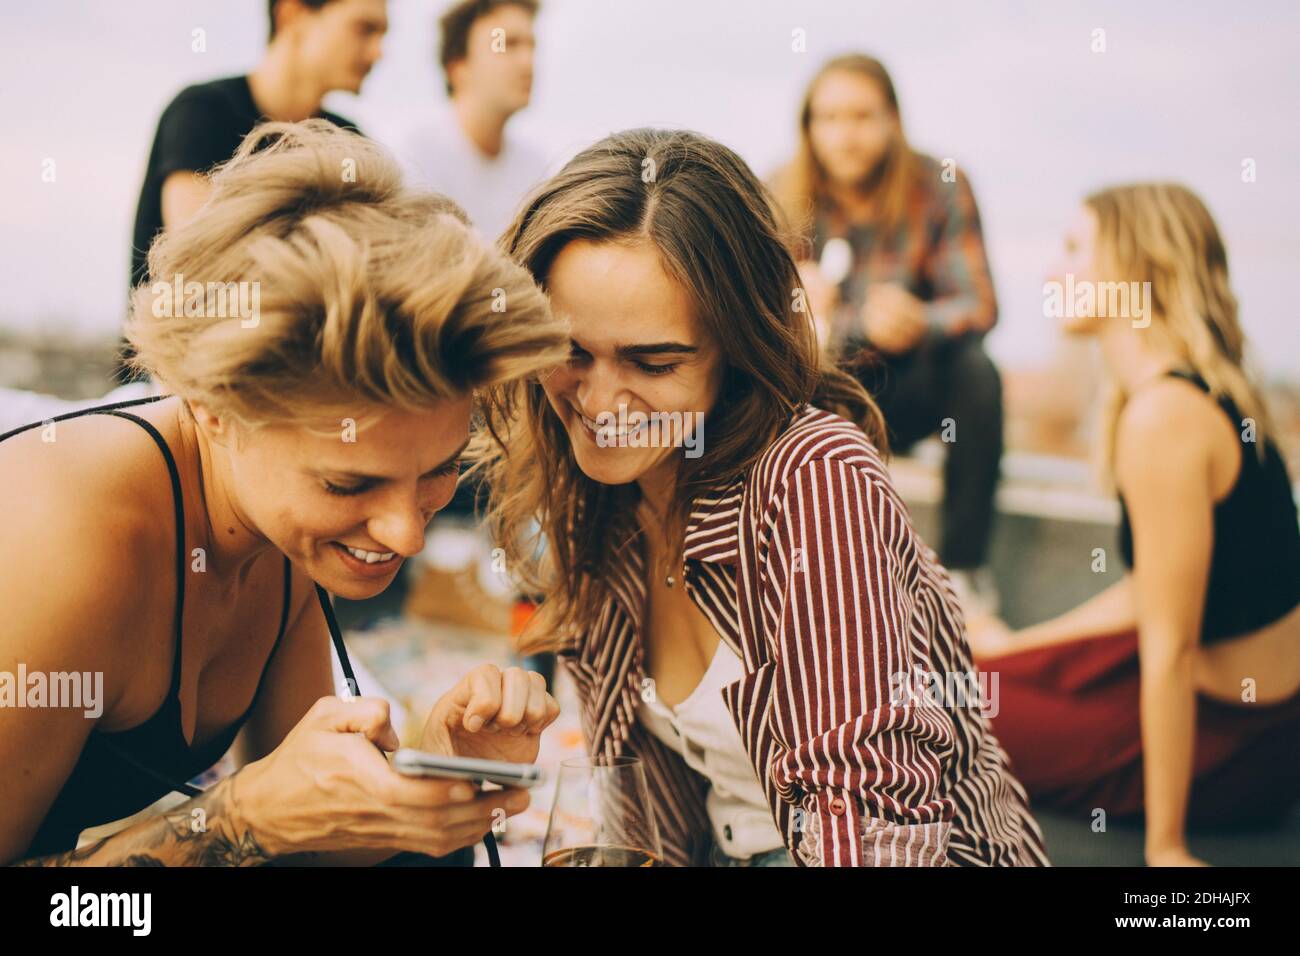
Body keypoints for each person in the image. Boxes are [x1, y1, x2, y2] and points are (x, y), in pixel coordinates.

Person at [1, 120, 568, 866]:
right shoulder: (64, 537)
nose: (406, 533)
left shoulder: (276, 531)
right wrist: (238, 815)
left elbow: (309, 847)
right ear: (213, 406)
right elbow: (262, 829)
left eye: (439, 470)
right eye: (347, 483)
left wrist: (436, 780)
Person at [478, 127, 1050, 867]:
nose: (599, 401)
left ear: (737, 347)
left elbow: (871, 836)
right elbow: (641, 819)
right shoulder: (597, 504)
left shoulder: (814, 481)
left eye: (653, 363)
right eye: (570, 351)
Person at [968, 184, 1300, 867]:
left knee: (934, 712)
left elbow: (1171, 648)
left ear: (1137, 267)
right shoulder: (1189, 393)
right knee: (970, 669)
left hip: (1240, 741)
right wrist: (1015, 646)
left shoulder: (1164, 417)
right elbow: (1154, 592)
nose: (1051, 274)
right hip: (1232, 702)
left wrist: (1166, 848)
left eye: (1073, 250)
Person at [772, 54, 1004, 616]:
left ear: (893, 120)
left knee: (976, 371)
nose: (844, 135)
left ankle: (965, 573)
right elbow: (753, 314)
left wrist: (917, 319)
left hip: (909, 383)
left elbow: (978, 304)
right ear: (808, 126)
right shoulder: (779, 190)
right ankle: (797, 566)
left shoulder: (940, 184)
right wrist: (812, 306)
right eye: (828, 118)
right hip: (820, 385)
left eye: (861, 116)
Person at [119, 0, 388, 384]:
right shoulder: (202, 112)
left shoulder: (350, 141)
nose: (378, 52)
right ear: (292, 15)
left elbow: (372, 280)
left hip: (301, 387)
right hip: (175, 386)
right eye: (364, 29)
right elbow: (205, 268)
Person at [400, 0, 549, 244]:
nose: (527, 61)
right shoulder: (412, 158)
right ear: (458, 67)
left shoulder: (536, 169)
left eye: (531, 46)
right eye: (508, 45)